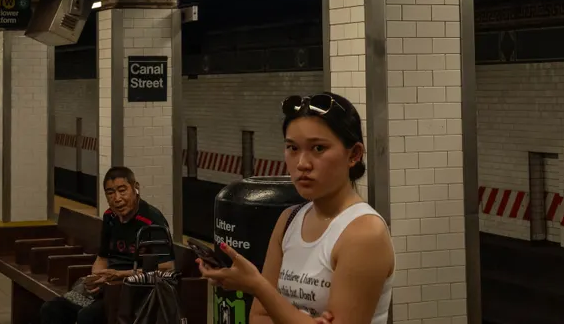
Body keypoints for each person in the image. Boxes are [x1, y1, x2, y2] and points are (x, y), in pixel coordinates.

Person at [198, 92, 394, 324]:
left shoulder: (363, 233)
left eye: (318, 148)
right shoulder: (289, 221)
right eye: (292, 148)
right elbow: (258, 318)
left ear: (354, 155)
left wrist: (258, 286)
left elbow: (268, 307)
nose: (302, 164)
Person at [40, 166, 173, 324]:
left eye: (122, 190)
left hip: (136, 291)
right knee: (51, 309)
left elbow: (167, 269)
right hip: (108, 286)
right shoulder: (110, 217)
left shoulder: (152, 220)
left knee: (88, 317)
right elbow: (102, 257)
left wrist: (119, 275)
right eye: (110, 193)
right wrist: (97, 277)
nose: (117, 198)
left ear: (135, 188)